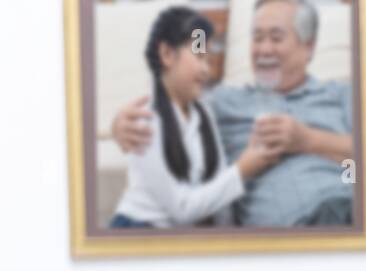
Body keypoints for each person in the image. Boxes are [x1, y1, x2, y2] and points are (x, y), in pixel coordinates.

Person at [111, 0, 354, 226]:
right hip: (285, 234)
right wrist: (119, 125)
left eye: (276, 38)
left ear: (308, 47)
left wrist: (308, 140)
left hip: (347, 213)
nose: (264, 49)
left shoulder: (340, 95)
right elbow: (170, 107)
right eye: (257, 38)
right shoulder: (223, 103)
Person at [110, 6, 280, 229]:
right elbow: (182, 209)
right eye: (199, 56)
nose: (206, 70)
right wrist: (242, 170)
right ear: (167, 55)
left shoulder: (204, 114)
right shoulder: (145, 121)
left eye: (208, 60)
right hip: (139, 228)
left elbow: (219, 191)